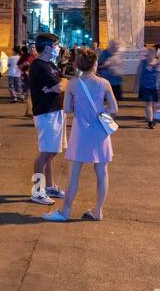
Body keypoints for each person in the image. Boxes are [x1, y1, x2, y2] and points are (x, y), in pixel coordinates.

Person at [43, 49, 116, 222]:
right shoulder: (104, 83)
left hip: (80, 132)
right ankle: (98, 211)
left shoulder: (73, 84)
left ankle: (65, 212)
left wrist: (81, 108)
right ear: (94, 63)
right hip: (100, 132)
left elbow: (67, 109)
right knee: (102, 173)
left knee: (74, 174)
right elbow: (114, 109)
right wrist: (99, 111)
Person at [28, 32, 67, 205]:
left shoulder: (50, 64)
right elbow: (60, 86)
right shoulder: (38, 66)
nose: (58, 47)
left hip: (56, 110)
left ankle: (49, 186)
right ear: (47, 47)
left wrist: (60, 84)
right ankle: (37, 191)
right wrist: (59, 85)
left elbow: (61, 83)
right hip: (45, 113)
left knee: (52, 151)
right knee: (45, 153)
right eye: (55, 44)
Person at [137, 48, 160, 128]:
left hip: (155, 88)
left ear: (153, 55)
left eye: (149, 54)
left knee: (154, 105)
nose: (147, 56)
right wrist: (136, 85)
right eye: (147, 55)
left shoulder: (159, 63)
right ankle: (150, 121)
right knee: (149, 104)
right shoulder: (143, 63)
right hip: (145, 87)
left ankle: (149, 117)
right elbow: (138, 74)